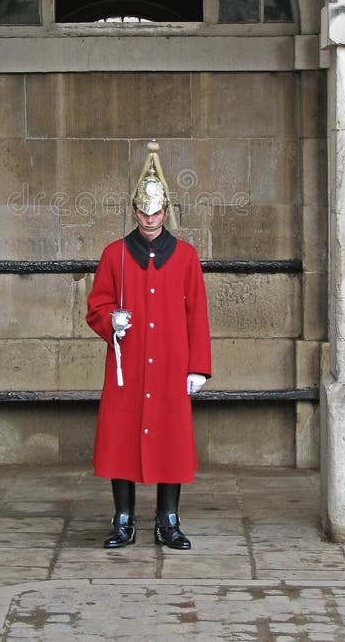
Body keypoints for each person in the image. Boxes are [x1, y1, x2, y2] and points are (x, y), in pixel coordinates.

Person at [86, 141, 212, 550]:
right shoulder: (114, 255)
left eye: (156, 212)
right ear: (134, 210)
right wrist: (111, 320)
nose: (150, 219)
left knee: (171, 438)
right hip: (130, 365)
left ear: (166, 210)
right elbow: (96, 306)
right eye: (144, 212)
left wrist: (197, 367)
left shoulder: (187, 257)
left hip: (171, 365)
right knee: (122, 435)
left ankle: (167, 519)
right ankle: (123, 518)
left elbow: (198, 316)